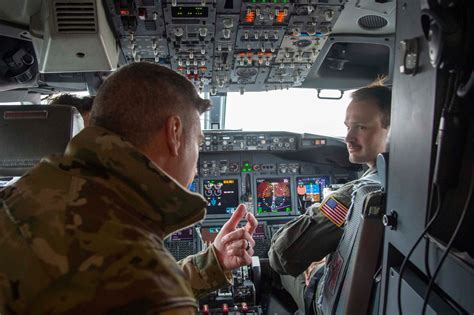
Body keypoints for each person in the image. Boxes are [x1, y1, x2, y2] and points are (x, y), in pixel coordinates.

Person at [0, 62, 258, 314]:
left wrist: (214, 262)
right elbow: (138, 287)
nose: (197, 167)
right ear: (174, 133)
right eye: (198, 144)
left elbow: (104, 285)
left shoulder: (28, 193)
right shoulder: (149, 281)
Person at [268, 81, 391, 313]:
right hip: (377, 298)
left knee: (281, 271)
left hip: (335, 303)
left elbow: (281, 256)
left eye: (361, 127)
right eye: (347, 126)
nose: (348, 138)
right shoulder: (423, 181)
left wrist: (318, 264)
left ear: (393, 128)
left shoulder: (353, 195)